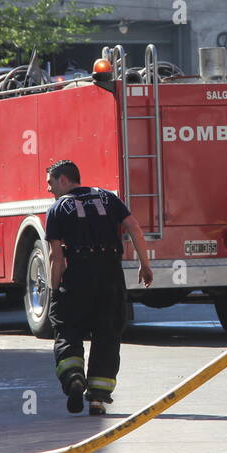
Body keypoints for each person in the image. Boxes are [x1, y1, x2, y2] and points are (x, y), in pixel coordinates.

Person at [43, 159, 153, 415]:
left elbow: (56, 257)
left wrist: (54, 291)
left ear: (63, 180)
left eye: (50, 182)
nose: (49, 189)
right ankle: (97, 398)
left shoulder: (57, 208)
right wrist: (144, 264)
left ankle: (73, 376)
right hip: (110, 276)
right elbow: (134, 227)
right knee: (107, 335)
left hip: (77, 277)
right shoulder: (108, 198)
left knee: (67, 330)